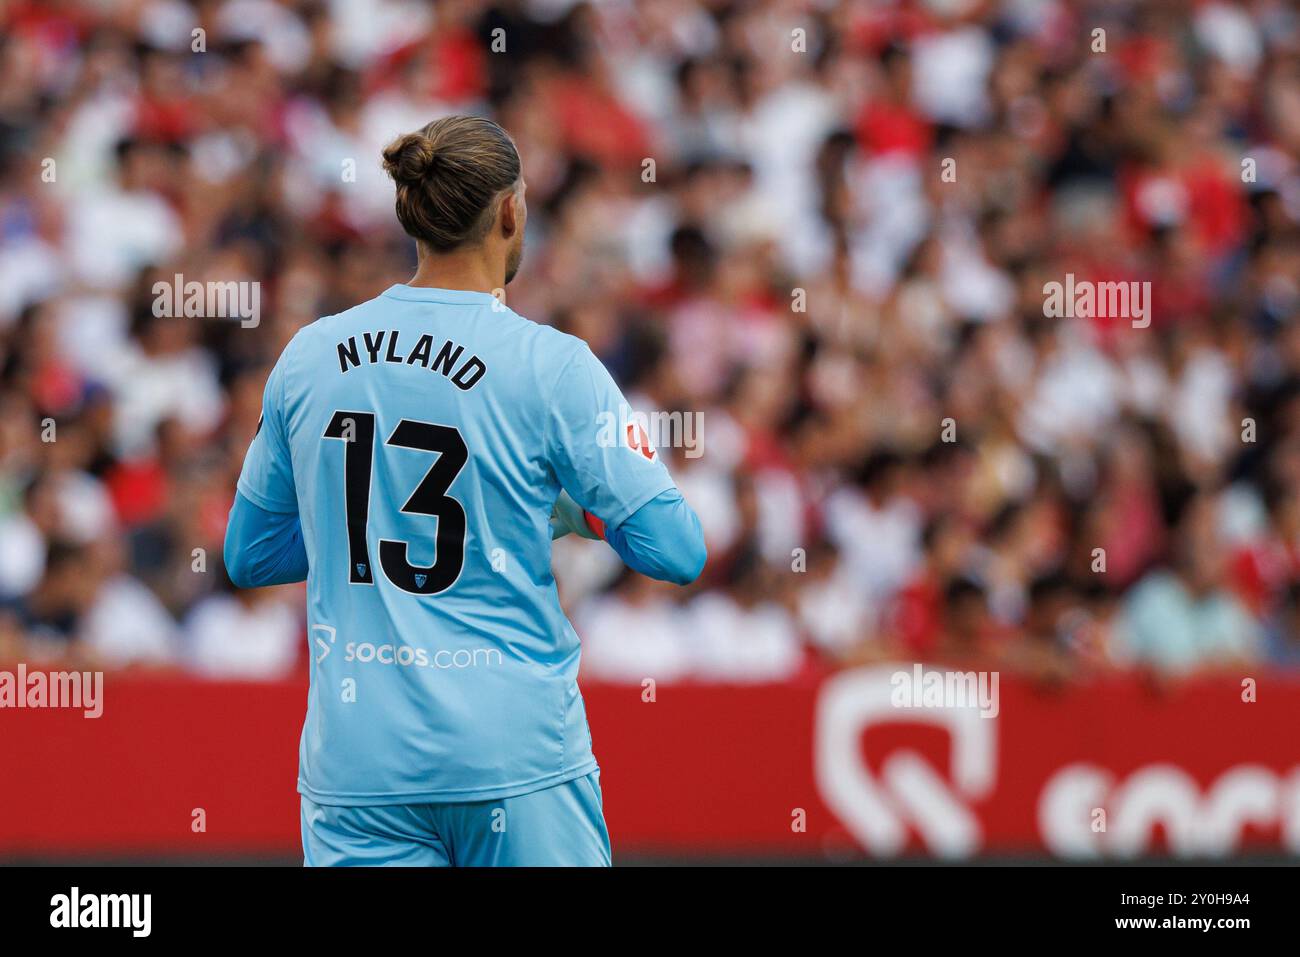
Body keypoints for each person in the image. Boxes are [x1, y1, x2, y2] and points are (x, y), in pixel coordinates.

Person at [222, 115, 706, 866]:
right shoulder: (553, 365)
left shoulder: (309, 355)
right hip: (512, 757)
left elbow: (249, 555)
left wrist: (377, 524)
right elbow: (676, 549)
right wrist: (565, 513)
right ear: (511, 211)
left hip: (358, 765)